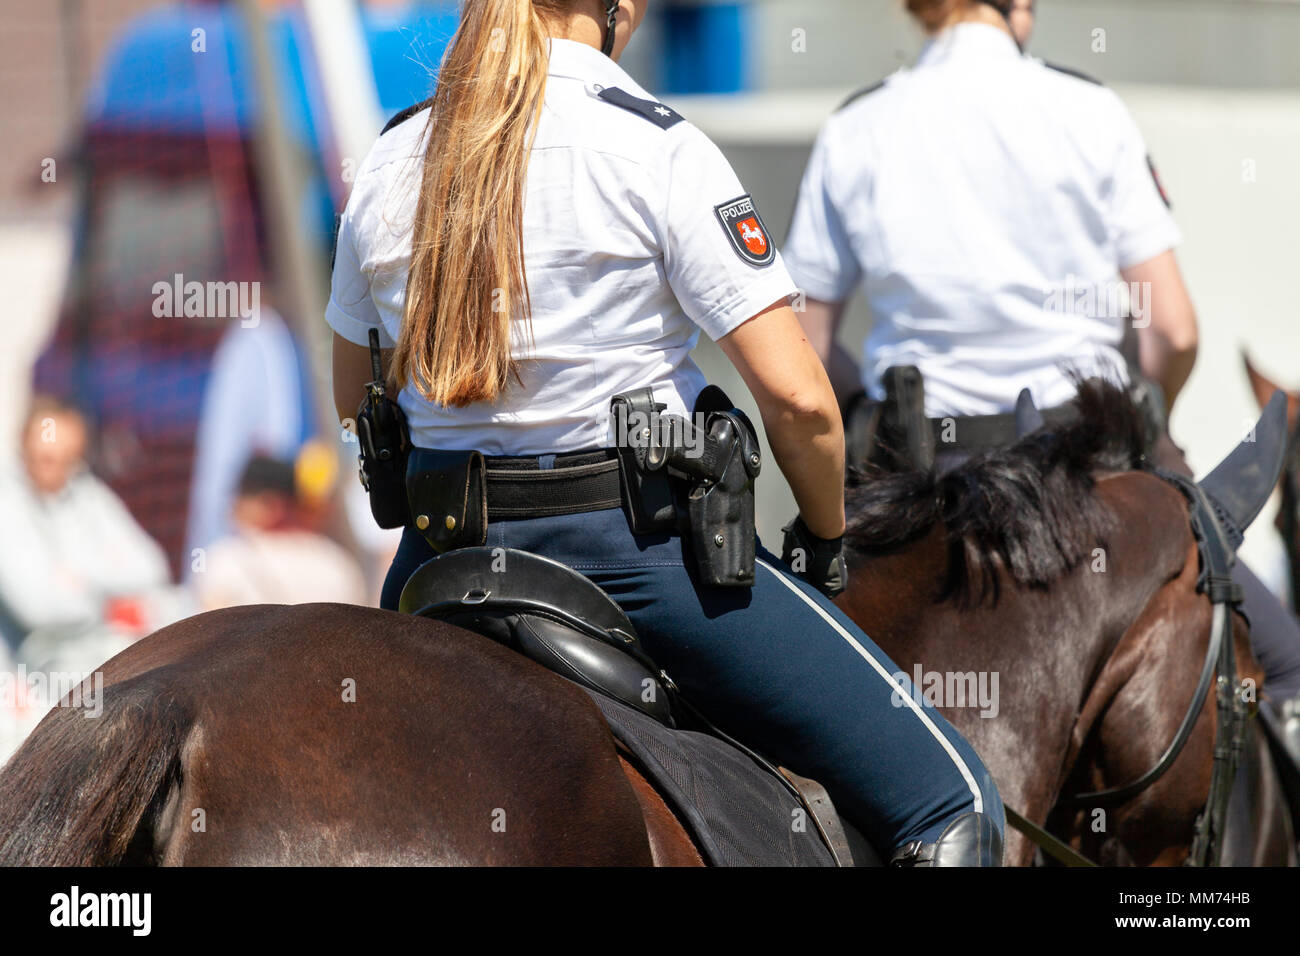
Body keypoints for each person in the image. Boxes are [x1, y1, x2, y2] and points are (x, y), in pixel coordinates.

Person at [326, 0, 1003, 864]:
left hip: (436, 564)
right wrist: (827, 535)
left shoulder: (392, 155)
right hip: (637, 560)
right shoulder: (655, 144)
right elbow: (799, 403)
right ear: (617, 10)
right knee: (951, 802)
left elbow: (356, 397)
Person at [784, 0, 1300, 743]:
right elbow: (1176, 331)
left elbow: (806, 340)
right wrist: (1153, 422)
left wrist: (868, 402)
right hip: (1091, 466)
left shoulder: (855, 127)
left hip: (921, 477)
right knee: (1281, 667)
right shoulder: (1089, 109)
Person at [0, 395, 174, 665]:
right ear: (24, 446)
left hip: (100, 652)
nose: (58, 470)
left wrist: (80, 577)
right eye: (47, 459)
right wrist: (111, 606)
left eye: (69, 460)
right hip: (34, 672)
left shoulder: (85, 491)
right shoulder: (7, 503)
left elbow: (152, 568)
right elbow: (40, 609)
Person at [192, 454, 367, 611]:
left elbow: (211, 639)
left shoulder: (224, 559)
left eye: (240, 499)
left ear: (270, 504)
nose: (232, 509)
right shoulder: (338, 562)